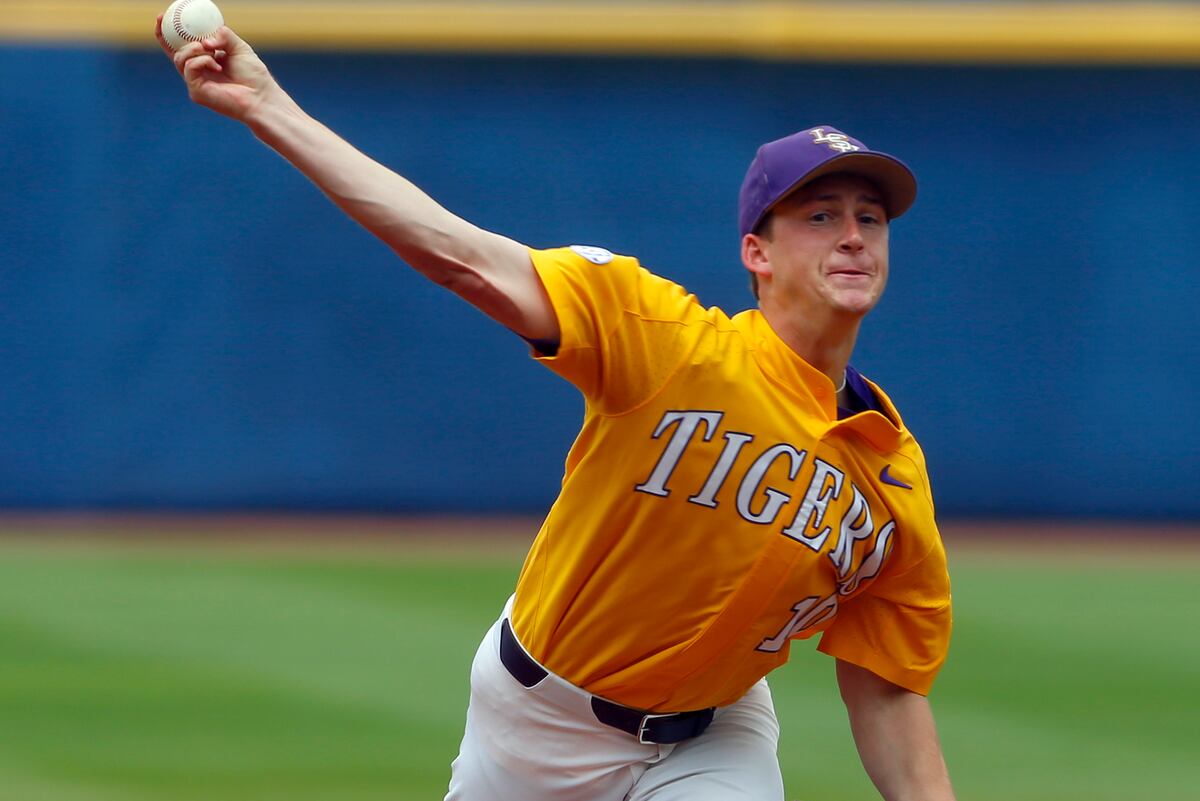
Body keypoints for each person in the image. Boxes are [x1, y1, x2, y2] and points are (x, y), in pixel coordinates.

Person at [158, 19, 956, 801]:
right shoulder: (665, 341)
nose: (852, 236)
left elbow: (886, 686)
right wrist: (268, 107)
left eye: (870, 218)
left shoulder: (891, 476)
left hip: (712, 736)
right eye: (820, 216)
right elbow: (459, 256)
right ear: (757, 252)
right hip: (535, 718)